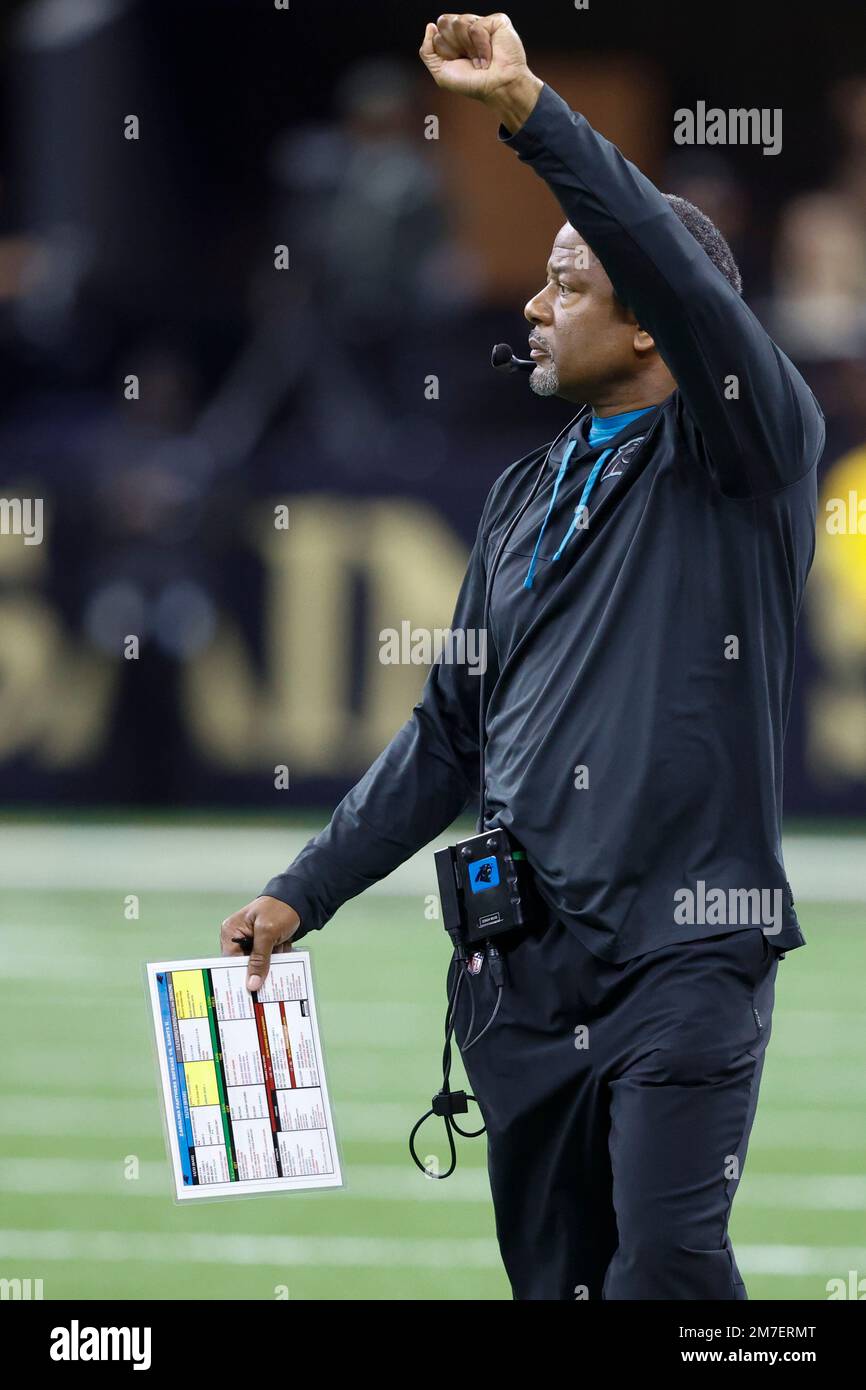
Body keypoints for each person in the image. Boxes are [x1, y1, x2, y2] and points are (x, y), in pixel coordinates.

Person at [220, 13, 825, 1299]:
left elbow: (672, 265)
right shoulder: (519, 493)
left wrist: (531, 115)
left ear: (656, 321)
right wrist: (303, 888)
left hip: (681, 954)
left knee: (666, 1270)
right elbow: (448, 730)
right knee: (559, 1285)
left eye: (567, 281)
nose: (533, 304)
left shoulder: (742, 452)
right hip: (519, 972)